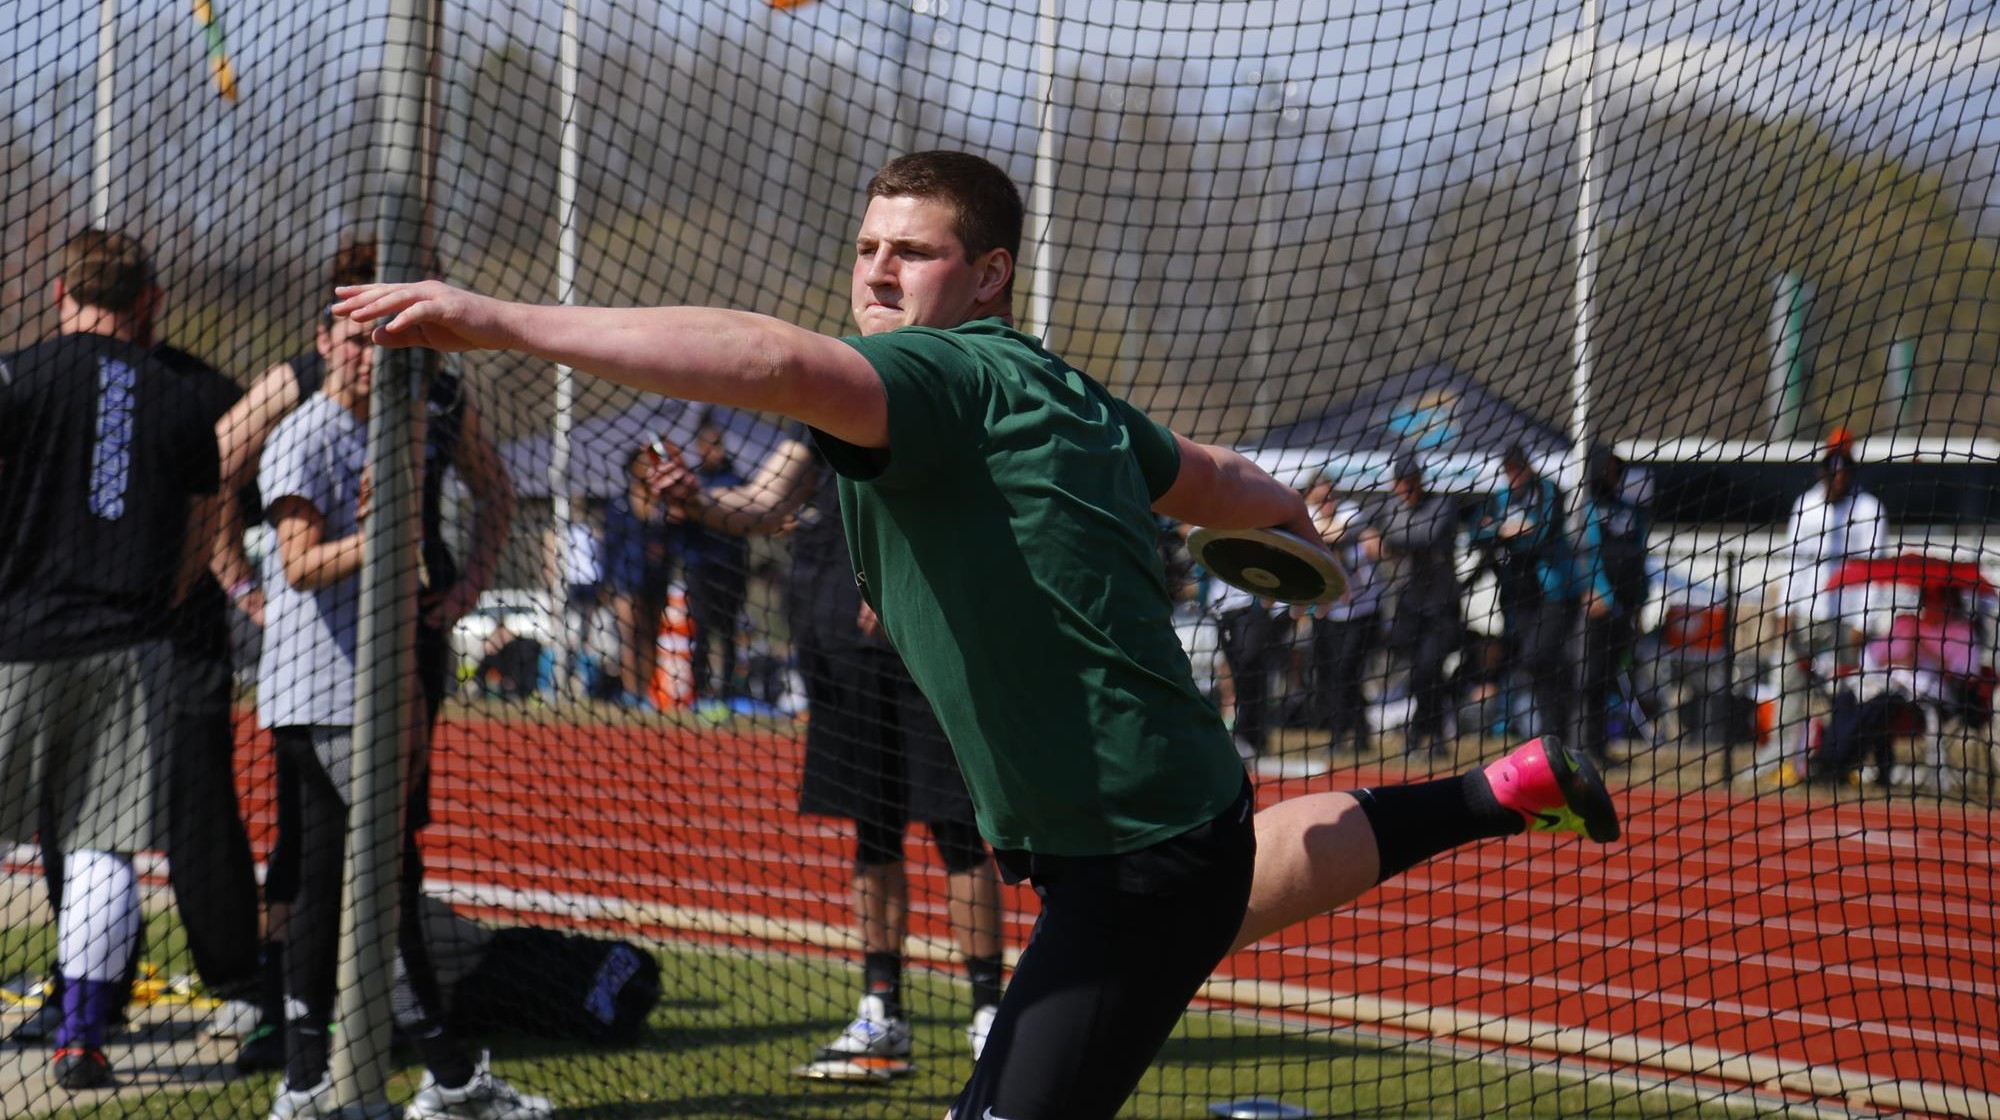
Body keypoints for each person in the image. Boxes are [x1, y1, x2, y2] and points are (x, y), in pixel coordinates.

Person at [334, 149, 1619, 1120]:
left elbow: (766, 359)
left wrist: (493, 318)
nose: (880, 272)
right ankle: (1490, 790)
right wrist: (1290, 518)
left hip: (1122, 848)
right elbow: (1214, 474)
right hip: (1178, 802)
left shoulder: (933, 377)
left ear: (988, 273)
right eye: (868, 248)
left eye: (915, 253)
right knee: (1242, 870)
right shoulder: (1055, 384)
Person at [215, 240, 517, 1072]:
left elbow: (495, 491)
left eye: (388, 323)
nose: (371, 342)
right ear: (331, 328)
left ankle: (348, 1037)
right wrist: (246, 589)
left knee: (386, 844)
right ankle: (333, 1030)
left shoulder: (433, 398)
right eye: (356, 324)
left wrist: (462, 593)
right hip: (324, 671)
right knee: (323, 856)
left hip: (398, 649)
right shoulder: (301, 404)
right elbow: (220, 478)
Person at [677, 433, 1007, 1067]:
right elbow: (763, 500)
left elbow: (981, 513)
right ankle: (882, 1008)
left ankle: (989, 1014)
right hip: (841, 653)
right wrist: (693, 497)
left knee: (960, 830)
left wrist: (903, 580)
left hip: (931, 645)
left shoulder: (944, 393)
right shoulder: (825, 400)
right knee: (873, 834)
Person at [0, 230, 223, 1089]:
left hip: (19, 634)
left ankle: (79, 1026)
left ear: (62, 290)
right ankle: (84, 1038)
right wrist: (158, 602)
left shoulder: (21, 373)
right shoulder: (179, 398)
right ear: (149, 302)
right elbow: (205, 527)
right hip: (129, 642)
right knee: (103, 845)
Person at [1774, 438, 1888, 770]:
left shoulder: (1869, 510)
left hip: (1847, 619)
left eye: (1843, 468)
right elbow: (1792, 562)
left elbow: (1874, 569)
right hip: (1807, 615)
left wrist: (1863, 622)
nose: (1837, 476)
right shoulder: (1805, 505)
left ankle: (1846, 761)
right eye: (1831, 468)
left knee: (1848, 692)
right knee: (1788, 683)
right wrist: (1785, 609)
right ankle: (1782, 762)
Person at [1472, 444, 1577, 745]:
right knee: (1524, 660)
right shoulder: (1499, 499)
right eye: (1508, 469)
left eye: (1518, 468)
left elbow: (1544, 532)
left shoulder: (1547, 491)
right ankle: (1536, 732)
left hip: (1551, 592)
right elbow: (1477, 531)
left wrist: (1512, 532)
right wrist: (1506, 531)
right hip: (1515, 592)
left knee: (1539, 657)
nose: (1513, 475)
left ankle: (1555, 729)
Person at [1377, 454, 1464, 758]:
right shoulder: (1391, 506)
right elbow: (1385, 534)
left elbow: (1425, 534)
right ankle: (1430, 734)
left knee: (1431, 667)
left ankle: (1425, 734)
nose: (1406, 490)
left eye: (1411, 483)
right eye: (1401, 484)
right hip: (1409, 604)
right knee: (1418, 671)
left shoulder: (1442, 503)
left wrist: (1393, 541)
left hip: (1441, 604)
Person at [1575, 445, 1650, 767]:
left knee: (1608, 678)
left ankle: (1600, 745)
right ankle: (1582, 746)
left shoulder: (1629, 511)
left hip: (1625, 607)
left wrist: (1639, 603)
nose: (1610, 473)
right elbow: (1585, 554)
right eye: (1604, 467)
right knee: (1588, 677)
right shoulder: (1587, 508)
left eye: (1613, 467)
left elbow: (1640, 554)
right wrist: (1596, 592)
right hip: (1596, 608)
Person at [601, 441, 684, 709]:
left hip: (654, 578)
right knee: (629, 633)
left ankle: (646, 693)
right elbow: (609, 546)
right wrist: (607, 581)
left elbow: (673, 542)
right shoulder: (619, 505)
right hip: (626, 577)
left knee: (649, 635)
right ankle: (630, 691)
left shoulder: (662, 506)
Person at [1304, 477, 1382, 755]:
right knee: (1331, 674)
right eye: (1319, 498)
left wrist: (1326, 532)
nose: (1327, 503)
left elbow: (1346, 533)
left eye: (1329, 497)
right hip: (1328, 610)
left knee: (1348, 670)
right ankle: (1358, 732)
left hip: (1362, 608)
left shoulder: (1351, 511)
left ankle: (1343, 735)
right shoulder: (1306, 514)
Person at [683, 417, 750, 712]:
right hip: (700, 567)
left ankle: (727, 694)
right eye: (709, 446)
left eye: (718, 444)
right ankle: (698, 692)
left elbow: (747, 511)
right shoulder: (692, 480)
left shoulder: (734, 477)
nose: (716, 451)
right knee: (701, 632)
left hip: (731, 568)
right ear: (699, 448)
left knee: (728, 632)